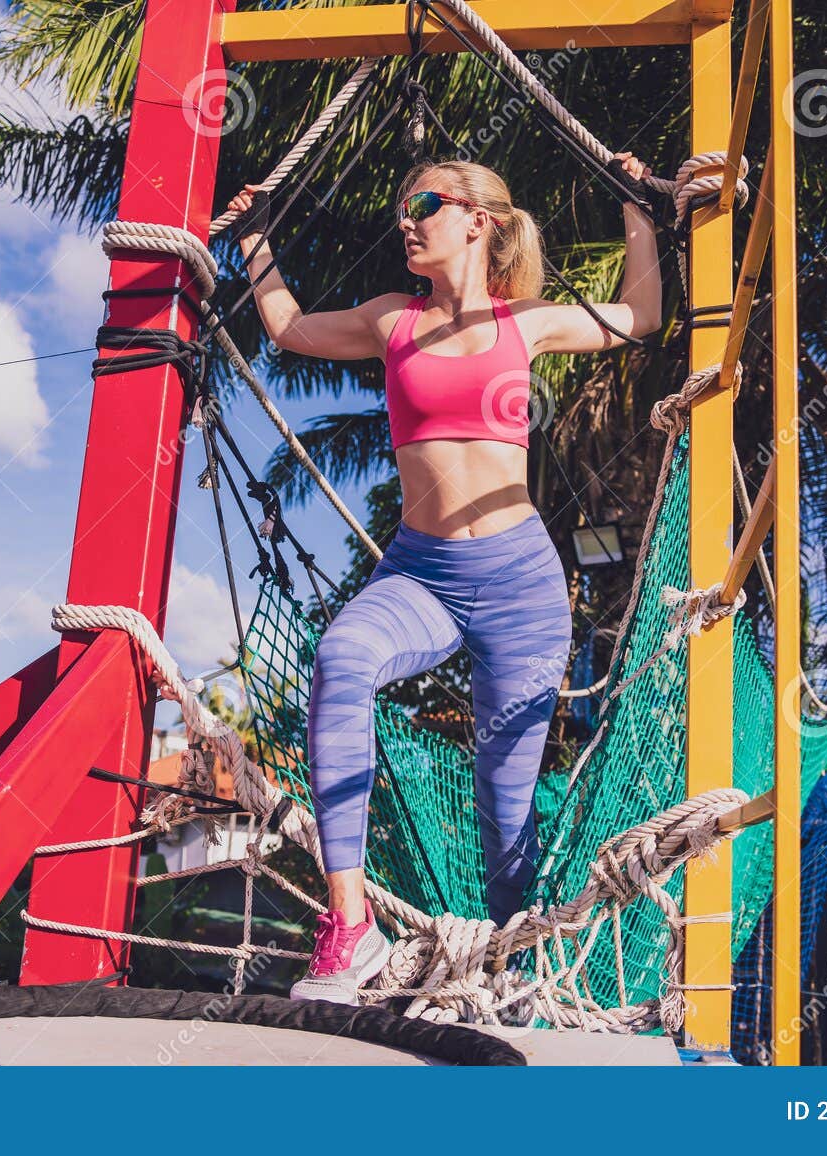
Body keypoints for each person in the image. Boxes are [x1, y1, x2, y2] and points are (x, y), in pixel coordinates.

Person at [226, 155, 661, 1004]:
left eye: (423, 202)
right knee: (342, 657)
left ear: (478, 220)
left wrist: (636, 206)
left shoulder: (526, 323)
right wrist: (253, 240)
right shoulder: (390, 320)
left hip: (521, 588)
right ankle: (348, 929)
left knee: (505, 818)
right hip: (420, 573)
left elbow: (642, 315)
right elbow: (285, 328)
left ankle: (517, 975)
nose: (406, 219)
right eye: (402, 204)